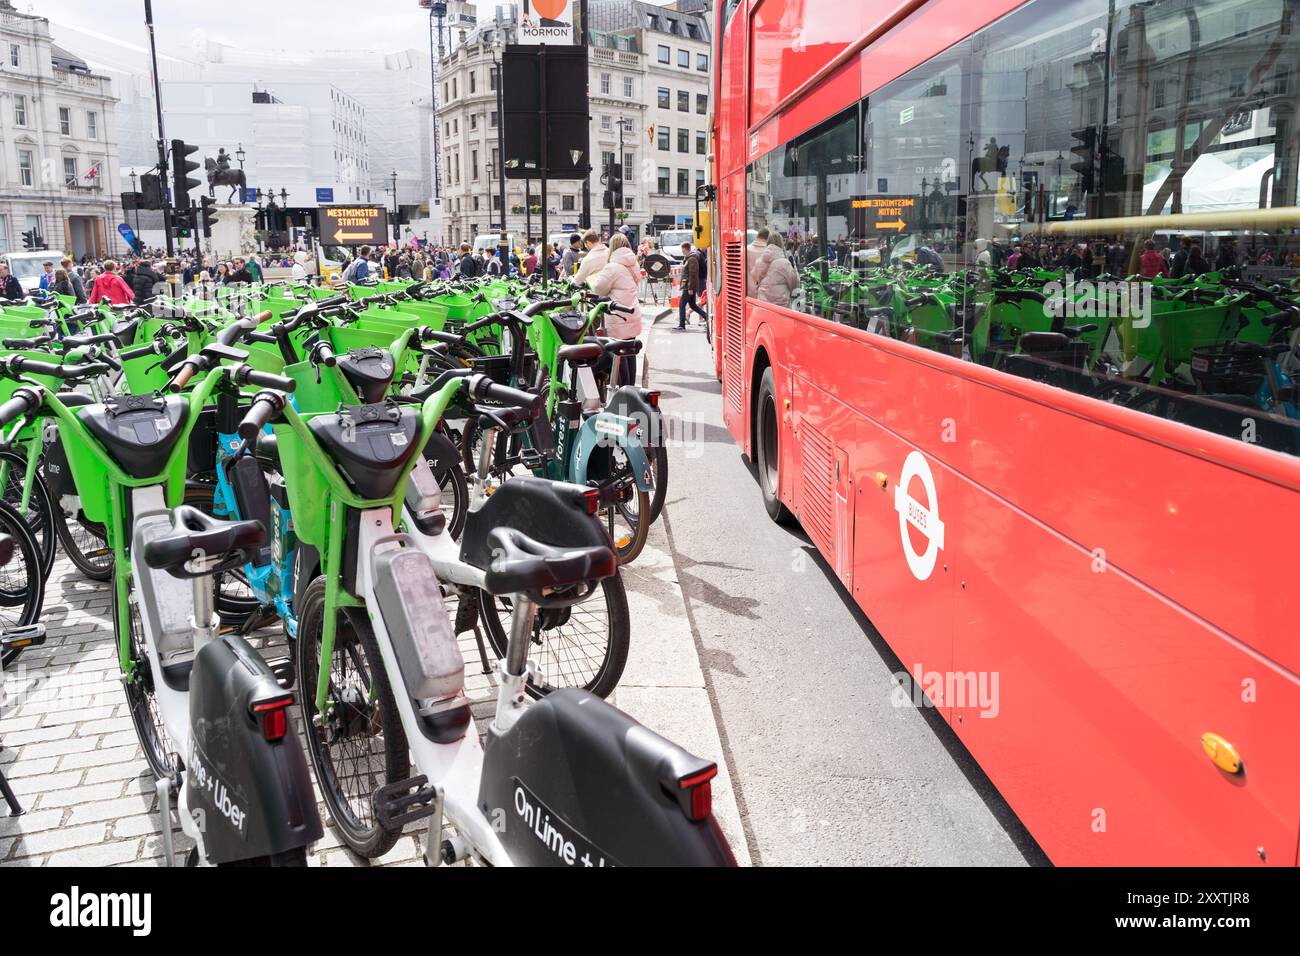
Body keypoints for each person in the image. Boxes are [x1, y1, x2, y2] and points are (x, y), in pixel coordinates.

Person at [588, 233, 643, 385]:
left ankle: (623, 389)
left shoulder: (612, 267)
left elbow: (598, 289)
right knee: (630, 352)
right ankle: (631, 388)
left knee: (618, 353)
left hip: (618, 315)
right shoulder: (633, 264)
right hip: (631, 312)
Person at [751, 233, 799, 308]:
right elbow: (794, 285)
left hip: (763, 305)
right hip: (780, 307)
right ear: (781, 243)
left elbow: (754, 277)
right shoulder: (785, 263)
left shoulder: (760, 261)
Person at [677, 242, 709, 330]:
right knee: (692, 305)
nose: (682, 251)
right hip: (689, 285)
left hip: (689, 286)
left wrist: (690, 287)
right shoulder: (690, 258)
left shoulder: (692, 259)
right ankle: (706, 317)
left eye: (682, 249)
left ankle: (681, 324)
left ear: (685, 249)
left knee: (682, 304)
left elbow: (693, 274)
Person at [746, 228, 769, 293]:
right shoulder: (769, 252)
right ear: (767, 239)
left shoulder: (746, 250)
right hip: (764, 295)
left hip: (748, 294)